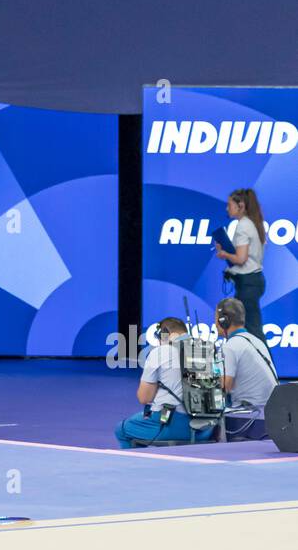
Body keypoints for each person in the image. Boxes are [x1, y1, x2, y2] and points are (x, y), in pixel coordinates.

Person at [114, 317, 215, 448]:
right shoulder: (207, 349)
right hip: (205, 428)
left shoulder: (160, 352)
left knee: (121, 430)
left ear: (164, 334)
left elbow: (144, 398)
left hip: (171, 426)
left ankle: (137, 466)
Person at [215, 188, 267, 340]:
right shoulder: (252, 223)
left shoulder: (243, 225)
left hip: (248, 284)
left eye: (229, 204)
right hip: (252, 282)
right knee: (252, 328)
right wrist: (226, 250)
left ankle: (266, 363)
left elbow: (241, 259)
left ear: (241, 206)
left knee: (253, 329)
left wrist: (225, 254)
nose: (227, 208)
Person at [215, 297, 278, 421]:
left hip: (251, 415)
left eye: (216, 319)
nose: (215, 324)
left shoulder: (230, 346)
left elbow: (223, 387)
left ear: (224, 321)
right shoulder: (256, 341)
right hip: (270, 413)